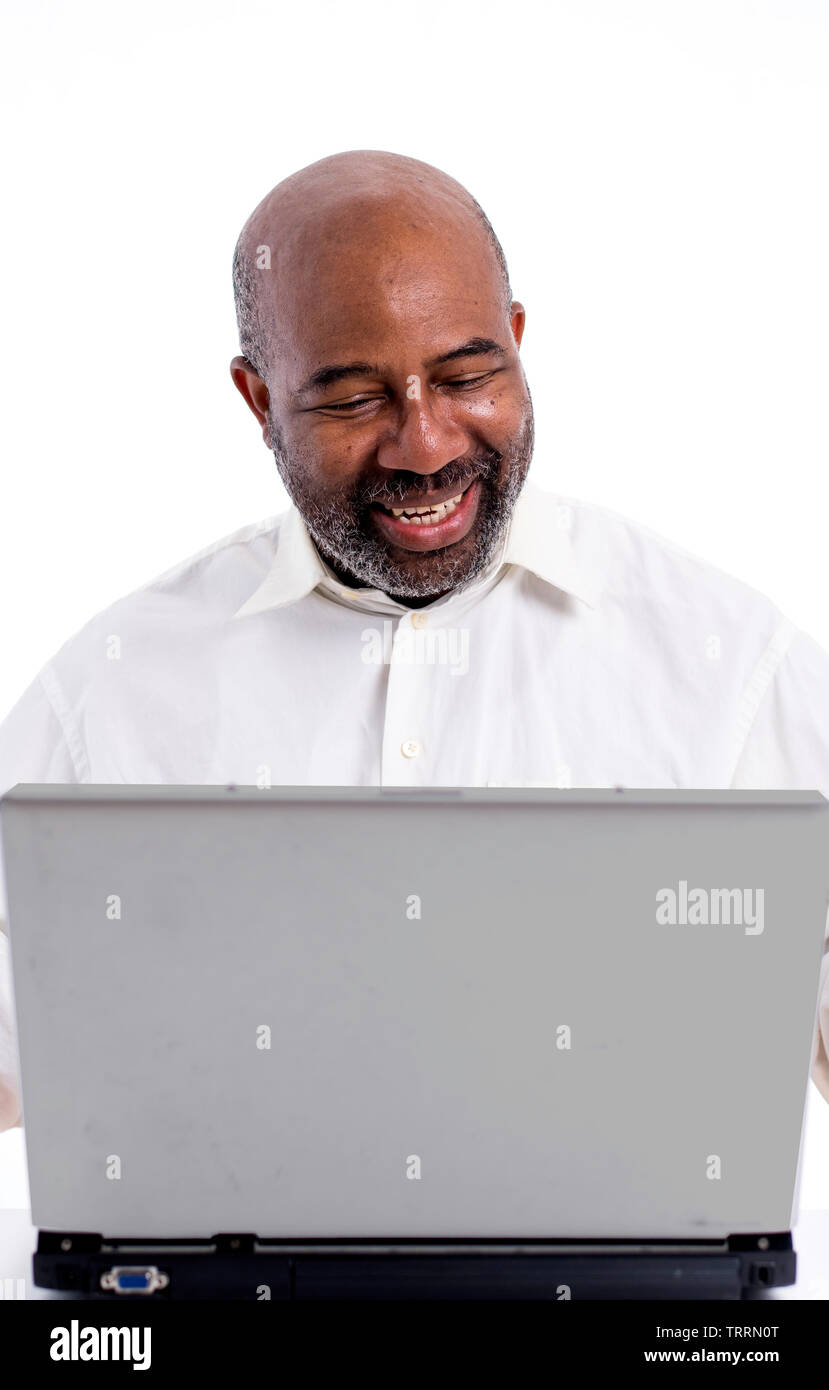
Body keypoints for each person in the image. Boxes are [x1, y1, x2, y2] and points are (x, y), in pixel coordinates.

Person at [1, 149, 828, 1134]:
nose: (426, 445)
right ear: (260, 401)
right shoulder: (110, 690)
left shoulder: (726, 661)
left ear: (517, 345)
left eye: (468, 374)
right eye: (353, 399)